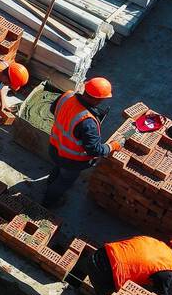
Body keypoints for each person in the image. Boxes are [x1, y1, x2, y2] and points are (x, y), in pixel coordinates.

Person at [42, 77, 119, 209]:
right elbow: (94, 150)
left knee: (58, 169)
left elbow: (53, 109)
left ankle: (50, 184)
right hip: (71, 160)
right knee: (64, 181)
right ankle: (49, 201)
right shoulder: (88, 122)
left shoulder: (67, 96)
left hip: (55, 147)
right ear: (98, 99)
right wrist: (112, 146)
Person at [73, 235, 172, 295]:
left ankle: (75, 284)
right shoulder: (167, 267)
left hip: (96, 256)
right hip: (106, 276)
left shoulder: (150, 240)